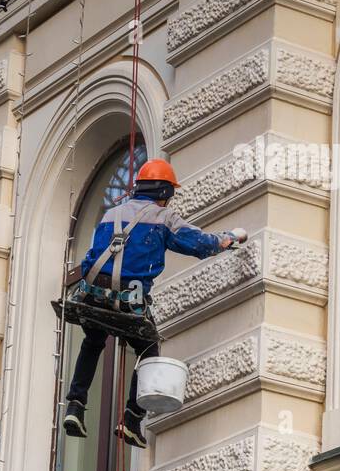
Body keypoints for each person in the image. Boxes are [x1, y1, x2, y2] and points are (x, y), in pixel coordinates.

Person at [62, 158, 236, 449]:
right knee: (148, 351)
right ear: (165, 193)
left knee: (92, 342)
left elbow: (93, 256)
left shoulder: (110, 215)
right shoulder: (162, 218)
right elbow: (199, 244)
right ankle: (131, 419)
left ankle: (75, 406)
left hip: (94, 293)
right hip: (129, 300)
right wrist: (226, 240)